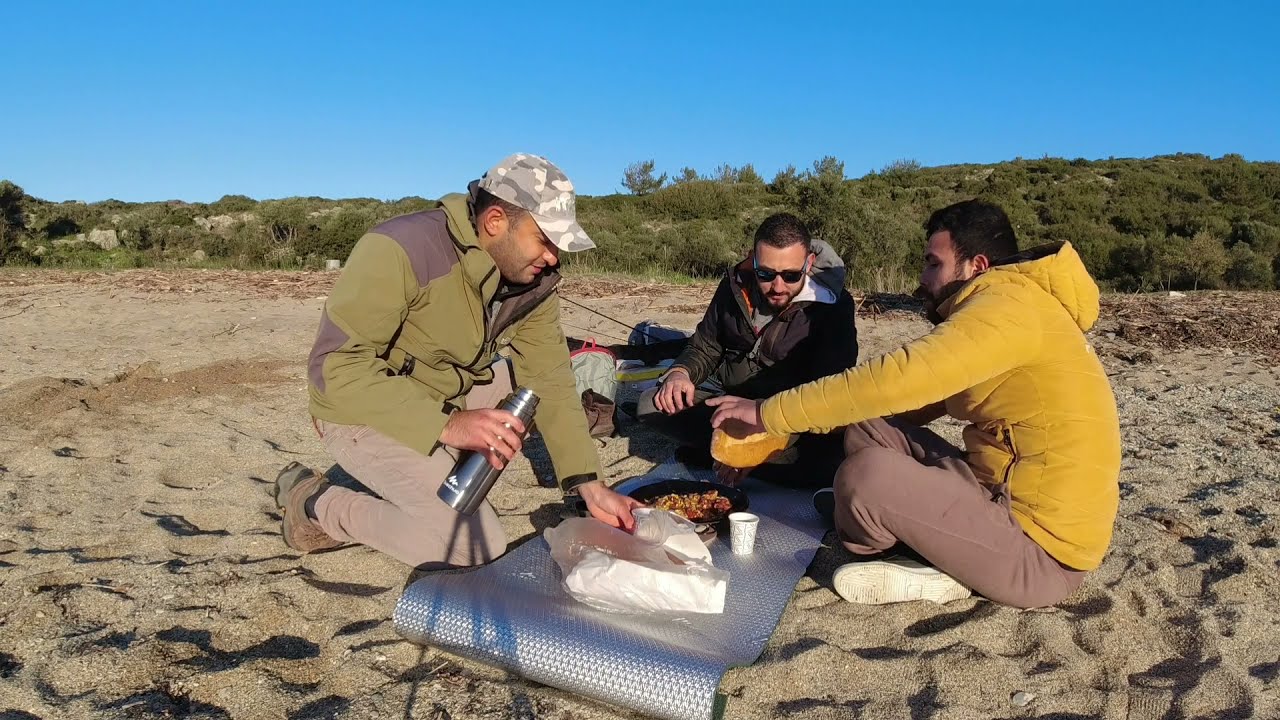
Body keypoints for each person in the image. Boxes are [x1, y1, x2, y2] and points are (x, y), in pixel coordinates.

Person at [708, 199, 1121, 609]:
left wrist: (767, 412)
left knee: (864, 478)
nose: (921, 278)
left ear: (975, 266)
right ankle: (901, 526)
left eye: (932, 263)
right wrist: (772, 437)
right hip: (995, 493)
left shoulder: (1008, 310)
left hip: (1039, 553)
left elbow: (895, 381)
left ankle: (913, 550)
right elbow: (893, 406)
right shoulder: (1014, 305)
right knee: (867, 427)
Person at [274, 153, 642, 569]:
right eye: (545, 240)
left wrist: (587, 482)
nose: (554, 257)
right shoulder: (400, 248)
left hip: (447, 396)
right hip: (359, 411)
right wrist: (446, 426)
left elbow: (551, 376)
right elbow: (335, 369)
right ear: (495, 221)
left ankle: (429, 473)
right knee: (474, 548)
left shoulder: (530, 280)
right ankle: (315, 503)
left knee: (532, 388)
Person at [635, 212, 858, 484]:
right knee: (652, 405)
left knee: (829, 459)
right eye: (765, 274)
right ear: (753, 260)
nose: (777, 286)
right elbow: (706, 345)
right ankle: (733, 454)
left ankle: (740, 457)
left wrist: (763, 434)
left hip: (787, 417)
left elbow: (826, 392)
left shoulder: (834, 307)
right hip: (729, 402)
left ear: (808, 263)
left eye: (790, 275)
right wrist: (680, 373)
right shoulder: (734, 286)